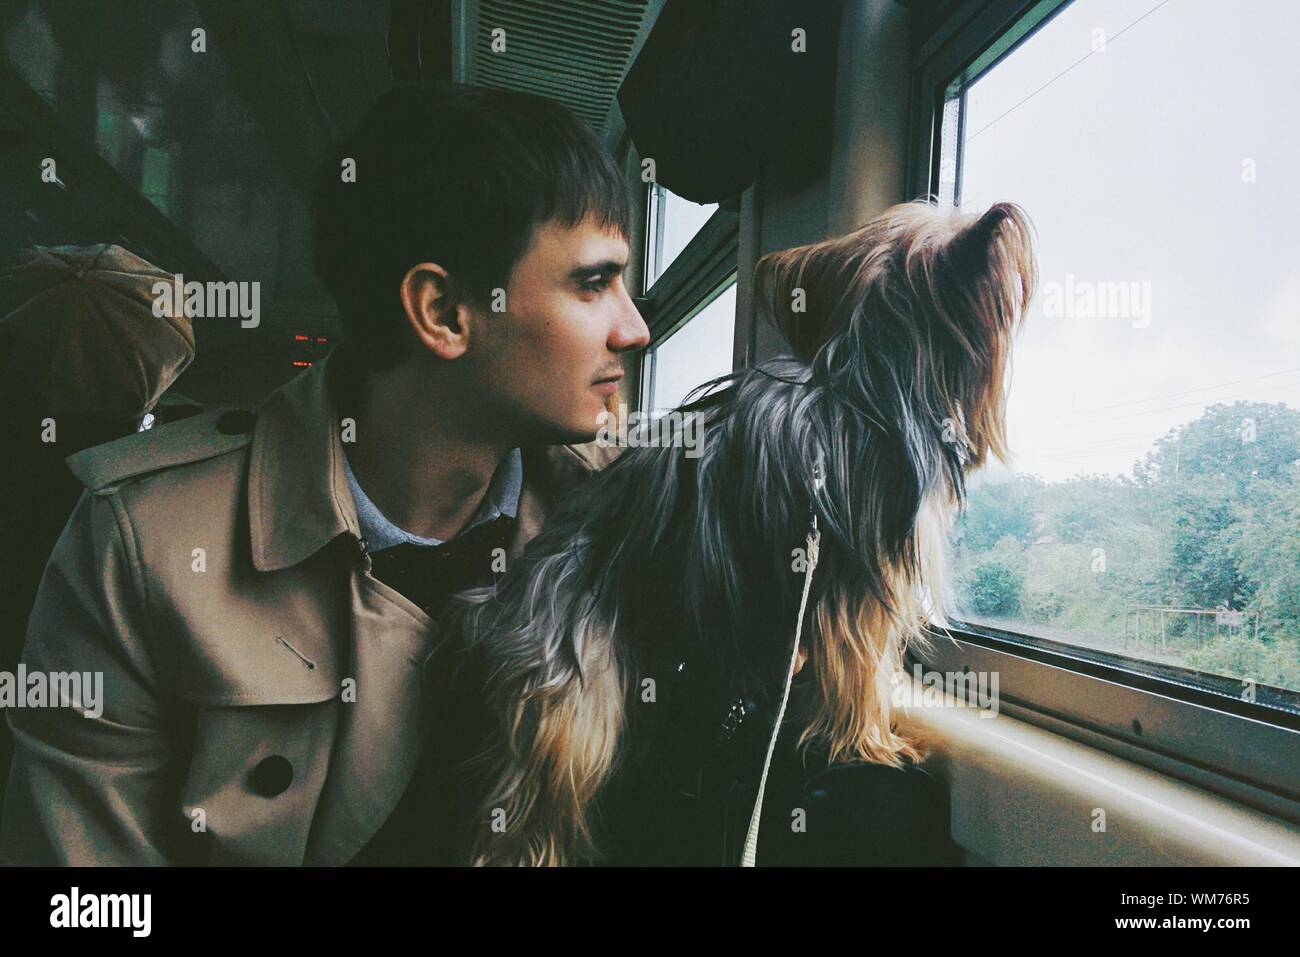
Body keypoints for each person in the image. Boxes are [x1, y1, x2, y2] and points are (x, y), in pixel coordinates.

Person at [0, 81, 648, 865]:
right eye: (592, 282)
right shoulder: (142, 542)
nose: (635, 328)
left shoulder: (623, 510)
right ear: (442, 312)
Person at [431, 200, 1038, 865]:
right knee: (547, 784)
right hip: (565, 614)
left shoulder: (840, 434)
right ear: (968, 332)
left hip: (608, 625)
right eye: (590, 284)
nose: (630, 328)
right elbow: (847, 622)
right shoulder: (871, 461)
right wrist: (861, 722)